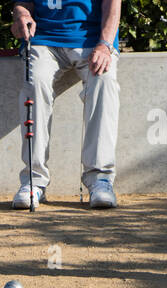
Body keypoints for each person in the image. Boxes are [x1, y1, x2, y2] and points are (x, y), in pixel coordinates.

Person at [11, 0, 121, 208]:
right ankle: (34, 181)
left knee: (104, 82)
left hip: (93, 40)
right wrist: (21, 16)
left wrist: (105, 44)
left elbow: (113, 3)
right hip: (43, 41)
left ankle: (100, 180)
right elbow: (23, 3)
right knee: (34, 85)